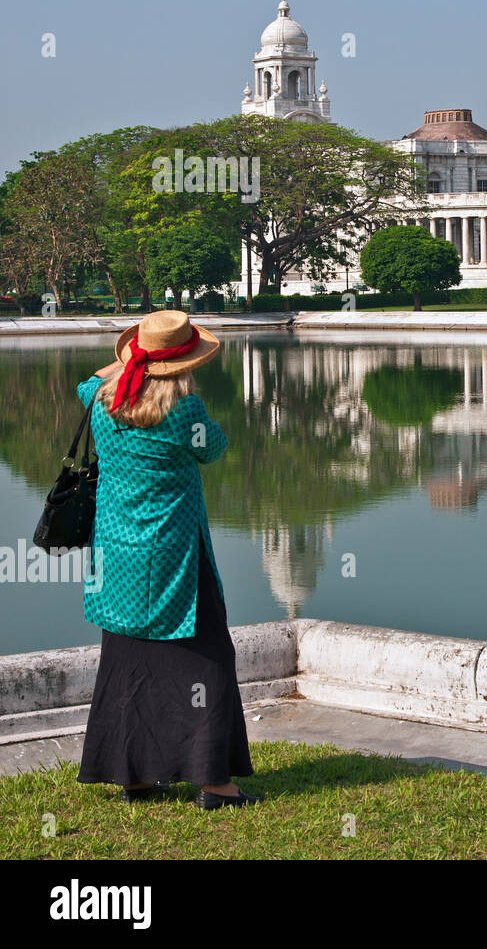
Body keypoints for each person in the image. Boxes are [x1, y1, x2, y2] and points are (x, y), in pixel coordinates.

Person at [74, 310, 260, 808]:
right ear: (184, 363)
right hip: (174, 556)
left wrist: (130, 362)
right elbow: (215, 449)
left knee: (128, 658)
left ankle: (131, 774)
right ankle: (215, 782)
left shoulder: (99, 399)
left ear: (138, 355)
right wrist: (160, 370)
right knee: (209, 661)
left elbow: (87, 381)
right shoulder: (184, 413)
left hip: (116, 554)